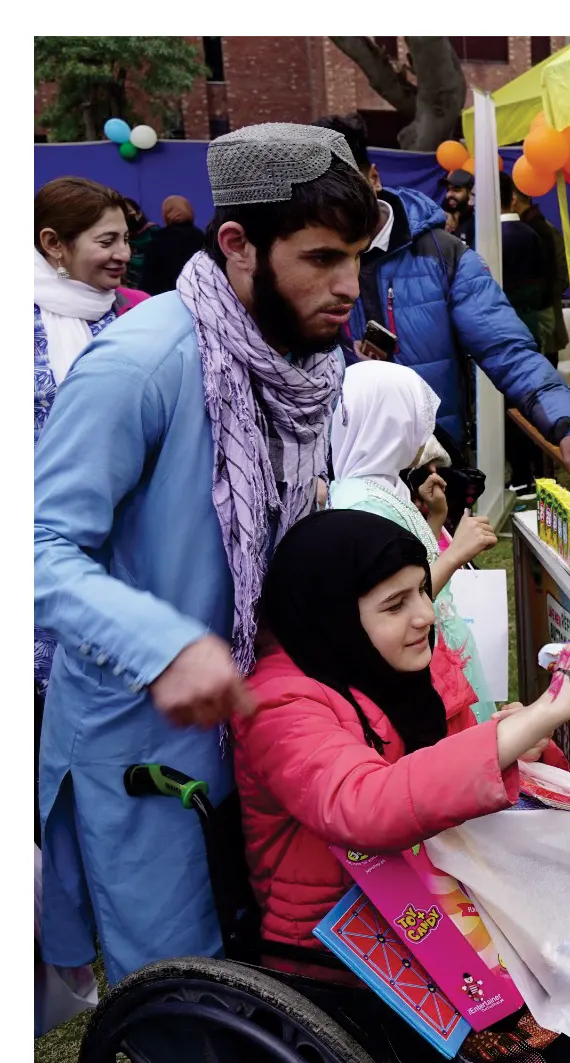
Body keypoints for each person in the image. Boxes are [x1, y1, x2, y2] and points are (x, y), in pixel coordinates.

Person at [34, 122, 379, 987]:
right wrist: (167, 643)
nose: (349, 287)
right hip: (146, 745)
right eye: (323, 259)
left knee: (260, 966)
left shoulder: (304, 355)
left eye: (359, 258)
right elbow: (34, 546)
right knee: (185, 1000)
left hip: (262, 723)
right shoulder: (141, 365)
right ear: (237, 245)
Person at [231, 509, 570, 1063]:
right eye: (394, 604)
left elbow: (444, 779)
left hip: (443, 915)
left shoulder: (377, 670)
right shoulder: (277, 705)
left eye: (422, 592)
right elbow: (365, 804)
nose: (425, 616)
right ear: (330, 614)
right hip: (355, 963)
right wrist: (541, 714)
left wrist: (524, 746)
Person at [312, 114, 570, 483]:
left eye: (347, 192)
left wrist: (566, 425)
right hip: (343, 464)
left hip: (434, 464)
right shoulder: (308, 260)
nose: (338, 212)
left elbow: (507, 347)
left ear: (373, 178)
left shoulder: (444, 255)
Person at [32, 176, 148, 834]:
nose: (122, 253)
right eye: (106, 240)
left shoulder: (133, 313)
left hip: (122, 538)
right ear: (54, 244)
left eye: (127, 239)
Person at [329, 360, 501, 724]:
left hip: (438, 643)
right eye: (415, 421)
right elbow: (400, 601)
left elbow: (410, 561)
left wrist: (435, 518)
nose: (424, 435)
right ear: (389, 425)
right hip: (423, 648)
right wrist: (456, 553)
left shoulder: (383, 484)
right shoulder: (360, 505)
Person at [506, 176, 569, 359]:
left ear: (514, 199)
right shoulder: (522, 229)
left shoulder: (543, 230)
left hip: (542, 315)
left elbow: (561, 274)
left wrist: (541, 301)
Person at [497, 171, 556, 349]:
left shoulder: (500, 237)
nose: (472, 203)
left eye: (475, 196)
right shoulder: (531, 232)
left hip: (515, 321)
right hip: (530, 317)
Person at [138, 195, 208, 295]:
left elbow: (147, 282)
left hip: (165, 302)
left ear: (165, 214)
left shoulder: (157, 241)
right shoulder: (203, 239)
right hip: (197, 299)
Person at [119, 195, 156, 292]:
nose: (127, 216)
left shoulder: (155, 233)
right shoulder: (119, 239)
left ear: (139, 213)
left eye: (129, 211)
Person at [443, 166, 476, 245]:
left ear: (470, 193)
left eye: (456, 190)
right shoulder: (441, 218)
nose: (450, 194)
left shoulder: (477, 222)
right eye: (448, 190)